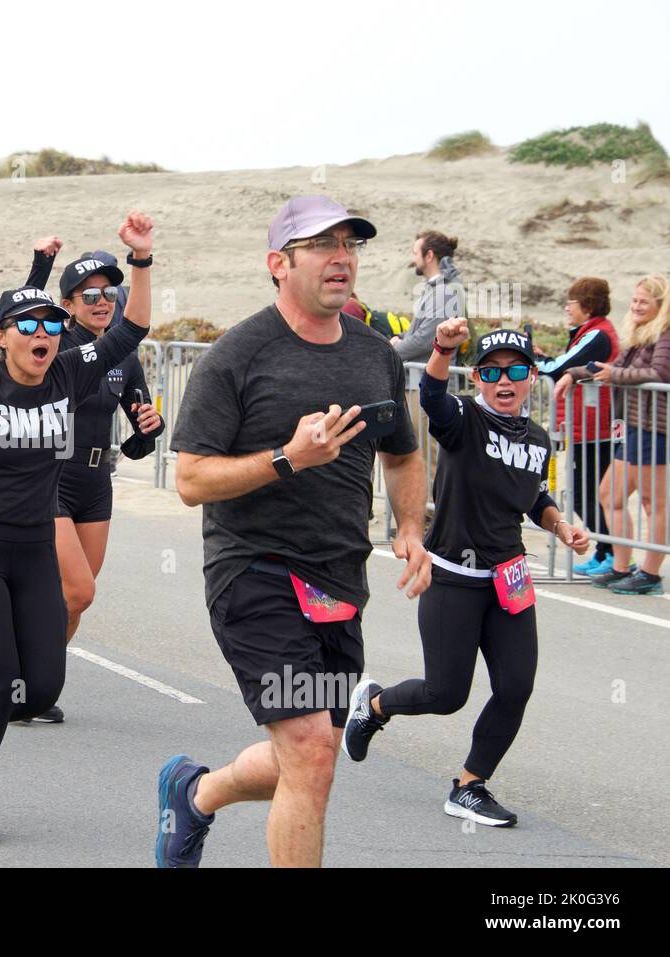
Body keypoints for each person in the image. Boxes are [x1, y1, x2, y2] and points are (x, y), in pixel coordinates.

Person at [157, 195, 431, 868]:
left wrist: (412, 526)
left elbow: (401, 450)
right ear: (279, 263)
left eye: (351, 245)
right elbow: (190, 477)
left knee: (310, 755)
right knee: (310, 749)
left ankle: (196, 792)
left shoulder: (374, 354)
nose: (343, 258)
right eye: (323, 245)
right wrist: (286, 458)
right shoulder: (236, 355)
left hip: (337, 580)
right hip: (254, 574)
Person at [0, 213, 154, 846]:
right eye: (29, 325)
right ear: (3, 336)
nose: (43, 333)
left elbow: (134, 329)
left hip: (35, 551)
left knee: (37, 690)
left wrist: (143, 262)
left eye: (51, 324)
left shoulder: (69, 374)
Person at [343, 321, 590, 826]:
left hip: (509, 579)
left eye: (517, 371)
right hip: (454, 574)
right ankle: (375, 704)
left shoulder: (538, 438)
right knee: (446, 694)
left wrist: (561, 525)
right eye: (492, 371)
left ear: (531, 377)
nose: (505, 381)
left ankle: (470, 785)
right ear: (477, 377)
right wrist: (442, 348)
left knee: (516, 686)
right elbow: (431, 392)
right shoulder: (464, 419)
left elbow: (534, 495)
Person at [22, 238, 164, 723]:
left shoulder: (124, 356)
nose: (103, 302)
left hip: (97, 480)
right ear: (67, 306)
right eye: (90, 295)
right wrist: (40, 265)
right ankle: (26, 678)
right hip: (52, 475)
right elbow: (20, 318)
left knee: (70, 599)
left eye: (109, 294)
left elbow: (139, 432)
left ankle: (29, 681)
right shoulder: (56, 344)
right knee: (79, 590)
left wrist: (150, 428)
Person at [555, 275, 670, 596]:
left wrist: (614, 374)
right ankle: (622, 565)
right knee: (609, 495)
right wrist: (573, 373)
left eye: (643, 302)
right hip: (633, 424)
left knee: (652, 502)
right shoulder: (639, 334)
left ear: (660, 305)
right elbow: (610, 365)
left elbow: (660, 373)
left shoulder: (664, 332)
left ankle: (650, 573)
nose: (635, 307)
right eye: (634, 301)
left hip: (654, 426)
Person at [535, 277, 620, 577]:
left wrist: (535, 360)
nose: (567, 308)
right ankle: (605, 549)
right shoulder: (590, 332)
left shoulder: (597, 334)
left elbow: (560, 366)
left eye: (570, 303)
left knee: (589, 493)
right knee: (587, 491)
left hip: (595, 428)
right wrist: (543, 359)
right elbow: (563, 363)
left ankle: (613, 551)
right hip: (585, 426)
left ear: (586, 305)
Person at [391, 231, 464, 363]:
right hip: (423, 376)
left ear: (429, 256)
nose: (414, 260)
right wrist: (398, 337)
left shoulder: (445, 292)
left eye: (416, 254)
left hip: (432, 379)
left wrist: (390, 351)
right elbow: (419, 330)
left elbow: (424, 340)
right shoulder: (434, 288)